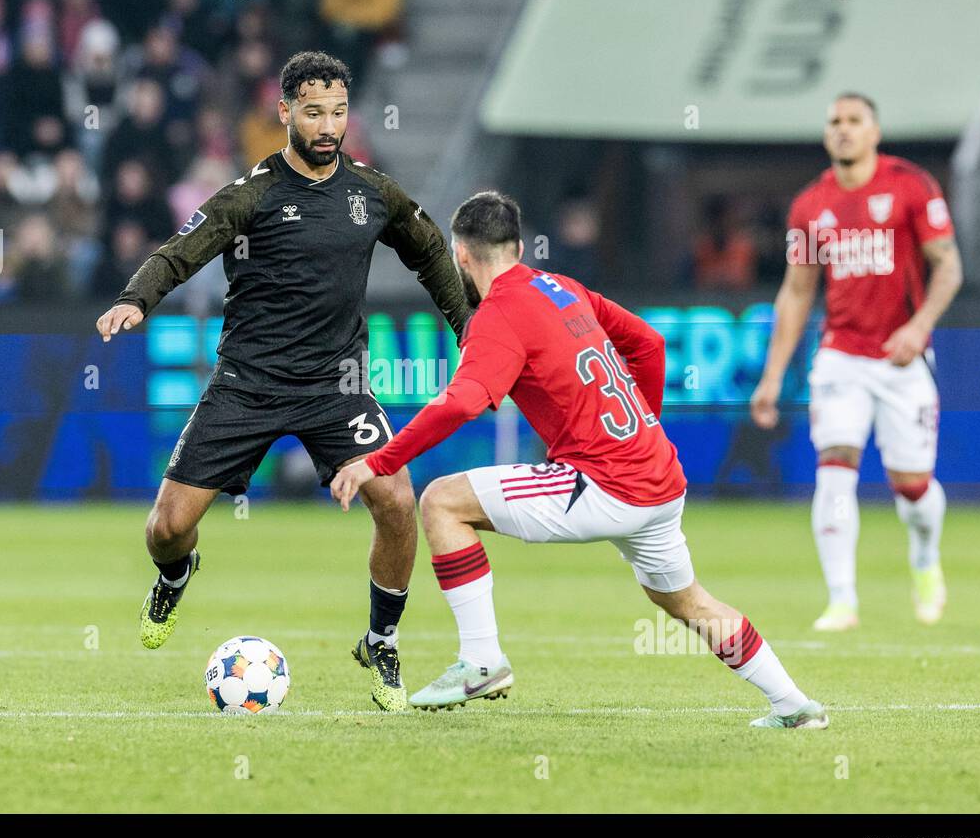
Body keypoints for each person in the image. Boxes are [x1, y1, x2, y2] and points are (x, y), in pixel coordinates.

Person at [332, 191, 827, 728]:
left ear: (461, 256)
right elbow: (651, 346)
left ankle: (480, 660)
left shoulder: (499, 314)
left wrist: (377, 461)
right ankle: (793, 704)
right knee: (688, 603)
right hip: (658, 479)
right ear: (519, 247)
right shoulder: (562, 288)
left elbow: (462, 402)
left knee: (440, 502)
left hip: (604, 484)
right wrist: (646, 428)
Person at [95, 51, 472, 711]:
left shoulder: (371, 194)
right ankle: (176, 576)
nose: (328, 127)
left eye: (337, 113)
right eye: (314, 113)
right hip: (248, 383)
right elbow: (180, 250)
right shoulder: (254, 194)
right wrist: (138, 297)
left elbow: (431, 252)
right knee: (165, 527)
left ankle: (380, 640)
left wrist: (469, 328)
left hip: (338, 386)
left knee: (396, 498)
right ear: (286, 112)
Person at [750, 93, 963, 631]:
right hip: (840, 356)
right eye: (834, 122)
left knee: (912, 488)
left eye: (854, 121)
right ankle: (842, 599)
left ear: (874, 131)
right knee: (835, 471)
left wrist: (919, 327)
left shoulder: (911, 186)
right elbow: (797, 293)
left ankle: (924, 559)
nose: (843, 130)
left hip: (901, 358)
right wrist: (773, 375)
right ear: (826, 135)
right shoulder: (809, 206)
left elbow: (949, 267)